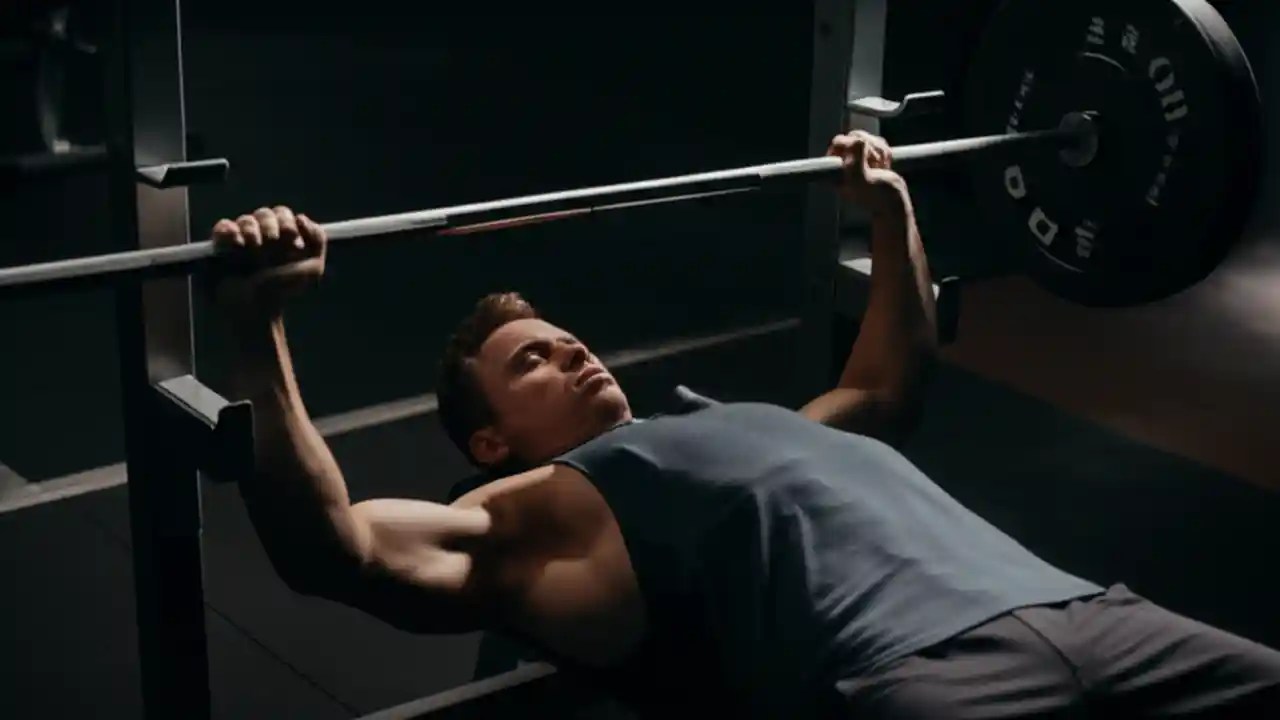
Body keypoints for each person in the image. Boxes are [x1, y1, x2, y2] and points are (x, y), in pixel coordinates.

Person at [210, 132, 1280, 718]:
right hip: (922, 680)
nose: (571, 350)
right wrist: (261, 326)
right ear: (488, 441)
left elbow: (885, 388)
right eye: (529, 360)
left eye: (564, 336)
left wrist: (891, 212)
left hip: (1089, 611)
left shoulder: (766, 425)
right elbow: (332, 548)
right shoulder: (524, 514)